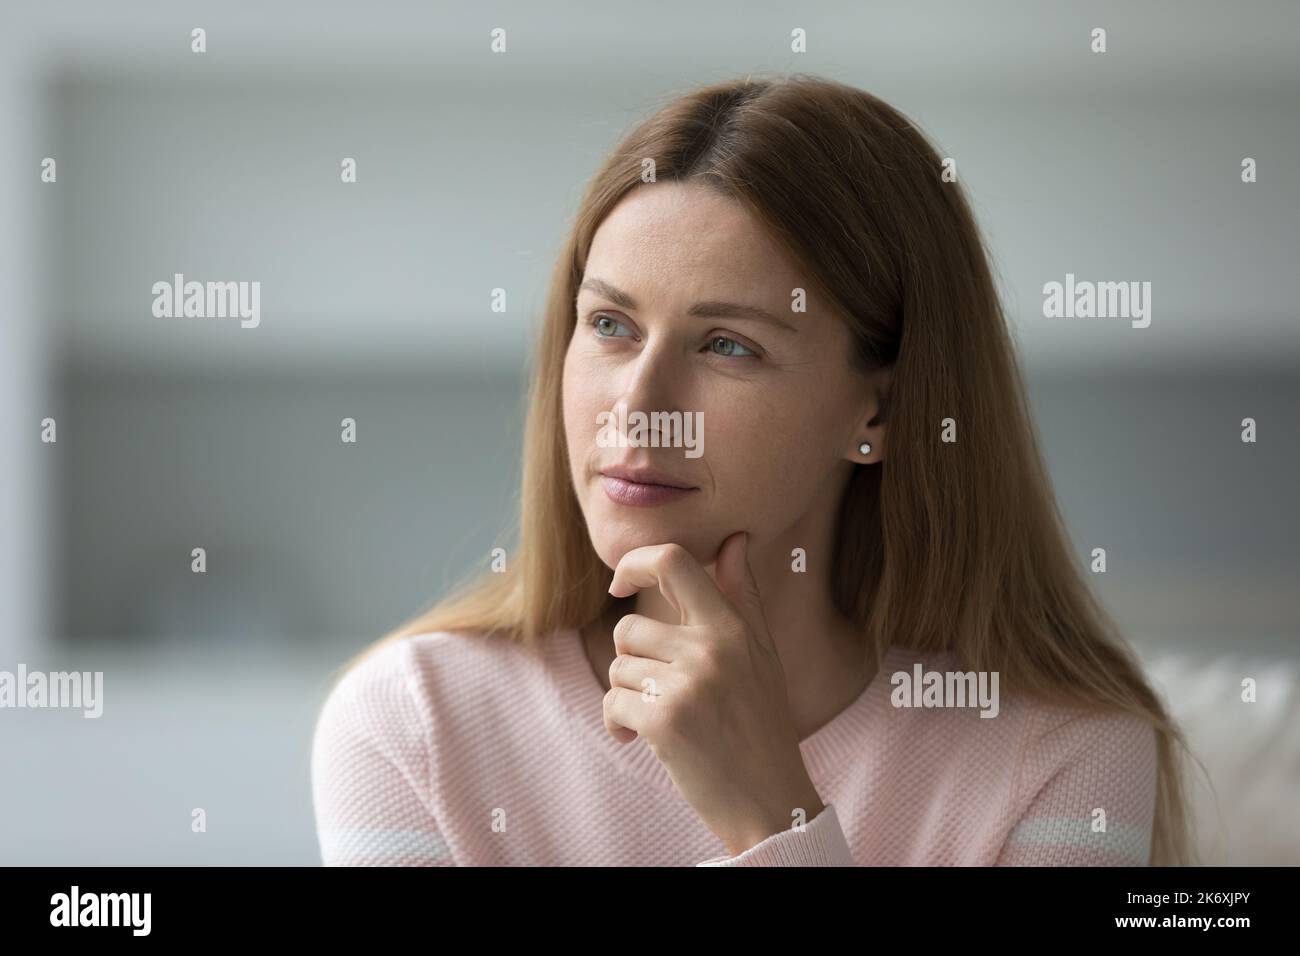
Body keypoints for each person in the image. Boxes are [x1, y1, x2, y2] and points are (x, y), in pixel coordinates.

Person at [310, 73, 1196, 866]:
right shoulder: (416, 725)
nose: (638, 405)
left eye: (727, 345)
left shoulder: (1064, 754)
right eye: (611, 325)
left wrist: (774, 820)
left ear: (878, 413)